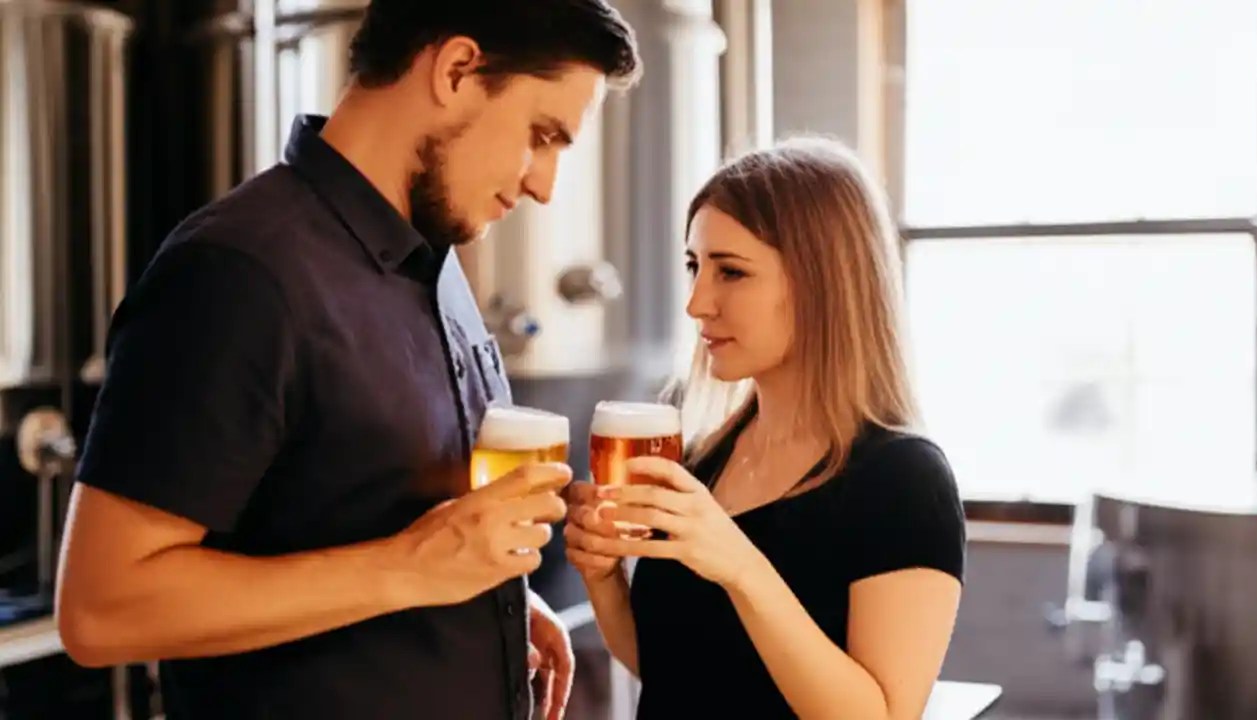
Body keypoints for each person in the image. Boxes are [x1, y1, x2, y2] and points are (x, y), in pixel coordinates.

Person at [54, 2, 640, 719]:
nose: (544, 185)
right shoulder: (238, 272)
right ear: (457, 70)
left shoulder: (437, 262)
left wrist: (493, 609)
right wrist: (412, 571)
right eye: (541, 135)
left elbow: (364, 515)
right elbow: (101, 609)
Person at [565, 138, 966, 719]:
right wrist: (603, 579)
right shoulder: (708, 458)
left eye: (731, 271)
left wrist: (741, 567)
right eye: (694, 266)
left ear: (823, 281)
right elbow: (674, 669)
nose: (698, 302)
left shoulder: (903, 480)